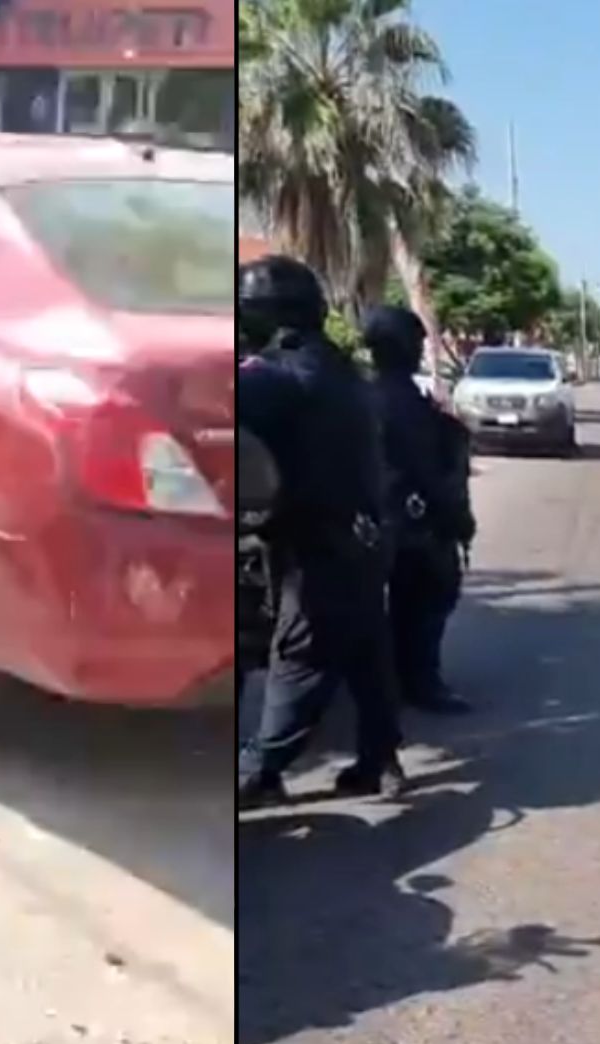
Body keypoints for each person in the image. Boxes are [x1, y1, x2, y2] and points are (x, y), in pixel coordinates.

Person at [236, 256, 404, 807]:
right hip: (365, 534)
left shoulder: (278, 376)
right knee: (365, 650)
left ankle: (258, 773)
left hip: (319, 542)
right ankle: (380, 761)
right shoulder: (338, 368)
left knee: (299, 656)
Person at [365, 305, 476, 714]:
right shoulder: (403, 403)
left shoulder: (363, 394)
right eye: (416, 343)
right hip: (410, 521)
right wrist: (457, 517)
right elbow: (424, 469)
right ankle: (419, 680)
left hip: (368, 519)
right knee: (432, 595)